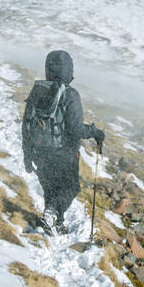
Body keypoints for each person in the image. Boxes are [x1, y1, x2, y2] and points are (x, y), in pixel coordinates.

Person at [21, 49, 104, 234]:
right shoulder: (70, 94)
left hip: (39, 150)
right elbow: (76, 128)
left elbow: (26, 124)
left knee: (50, 188)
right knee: (70, 188)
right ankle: (51, 215)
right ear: (66, 70)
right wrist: (96, 132)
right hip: (64, 153)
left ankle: (56, 223)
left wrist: (27, 155)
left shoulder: (38, 89)